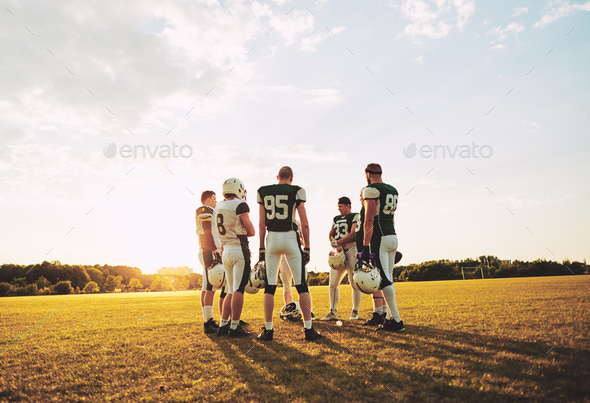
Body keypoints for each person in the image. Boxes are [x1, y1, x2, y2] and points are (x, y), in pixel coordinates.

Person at [256, 166, 321, 341]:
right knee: (301, 286)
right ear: (291, 178)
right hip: (291, 238)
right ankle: (308, 329)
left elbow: (261, 224)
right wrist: (307, 247)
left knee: (270, 288)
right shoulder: (297, 191)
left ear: (278, 177)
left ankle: (268, 330)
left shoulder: (263, 191)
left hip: (272, 239)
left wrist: (261, 247)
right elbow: (305, 223)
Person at [361, 163, 405, 332]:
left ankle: (396, 320)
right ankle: (388, 318)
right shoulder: (392, 189)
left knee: (384, 279)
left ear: (368, 173)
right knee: (389, 278)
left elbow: (369, 220)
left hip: (380, 238)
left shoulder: (371, 189)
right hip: (393, 235)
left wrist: (365, 245)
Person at [214, 178, 256, 338]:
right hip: (239, 249)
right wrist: (242, 231)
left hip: (226, 250)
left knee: (230, 289)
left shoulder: (219, 205)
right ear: (238, 189)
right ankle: (234, 326)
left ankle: (223, 324)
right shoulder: (240, 205)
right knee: (238, 289)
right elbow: (251, 231)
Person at [321, 197, 362, 321]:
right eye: (338, 207)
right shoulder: (336, 219)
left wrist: (338, 241)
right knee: (333, 282)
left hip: (351, 249)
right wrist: (332, 242)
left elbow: (353, 233)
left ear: (348, 205)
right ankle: (333, 311)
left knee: (354, 282)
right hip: (339, 251)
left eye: (341, 206)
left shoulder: (355, 216)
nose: (339, 209)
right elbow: (331, 233)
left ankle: (355, 311)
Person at [195, 190, 227, 333]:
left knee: (206, 287)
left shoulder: (209, 210)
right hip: (209, 250)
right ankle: (208, 322)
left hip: (207, 250)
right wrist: (214, 250)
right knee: (210, 287)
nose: (216, 201)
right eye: (214, 199)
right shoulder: (205, 209)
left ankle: (208, 319)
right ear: (207, 200)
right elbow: (207, 231)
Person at [355, 189, 387, 326]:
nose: (360, 198)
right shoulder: (363, 209)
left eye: (361, 196)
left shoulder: (367, 208)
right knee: (379, 279)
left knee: (373, 278)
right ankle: (384, 311)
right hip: (372, 246)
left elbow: (369, 224)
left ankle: (378, 312)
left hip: (373, 246)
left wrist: (365, 247)